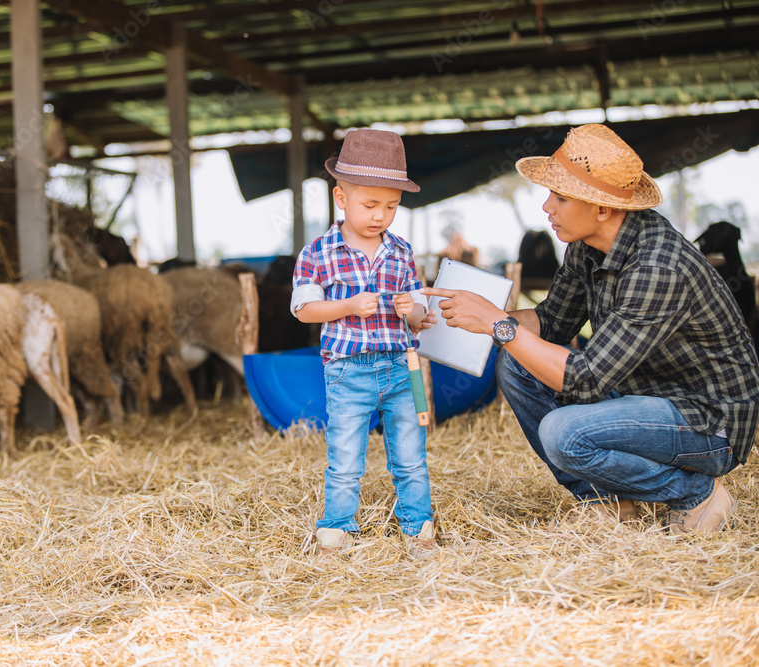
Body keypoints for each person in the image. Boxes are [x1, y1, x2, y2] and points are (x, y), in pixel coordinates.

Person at [421, 123, 759, 534]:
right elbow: (551, 323)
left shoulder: (657, 267)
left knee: (563, 434)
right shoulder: (585, 247)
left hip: (706, 421)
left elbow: (586, 381)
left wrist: (497, 325)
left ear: (602, 209)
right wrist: (480, 312)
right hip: (647, 396)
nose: (547, 207)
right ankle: (605, 500)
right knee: (515, 366)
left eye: (560, 197)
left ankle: (694, 494)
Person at [291, 128, 438, 558]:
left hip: (399, 365)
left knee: (410, 455)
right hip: (347, 369)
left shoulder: (401, 252)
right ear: (341, 198)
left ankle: (419, 528)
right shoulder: (318, 253)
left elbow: (419, 320)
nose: (380, 216)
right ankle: (335, 531)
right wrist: (349, 306)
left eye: (391, 206)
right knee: (346, 460)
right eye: (370, 205)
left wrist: (412, 308)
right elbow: (304, 310)